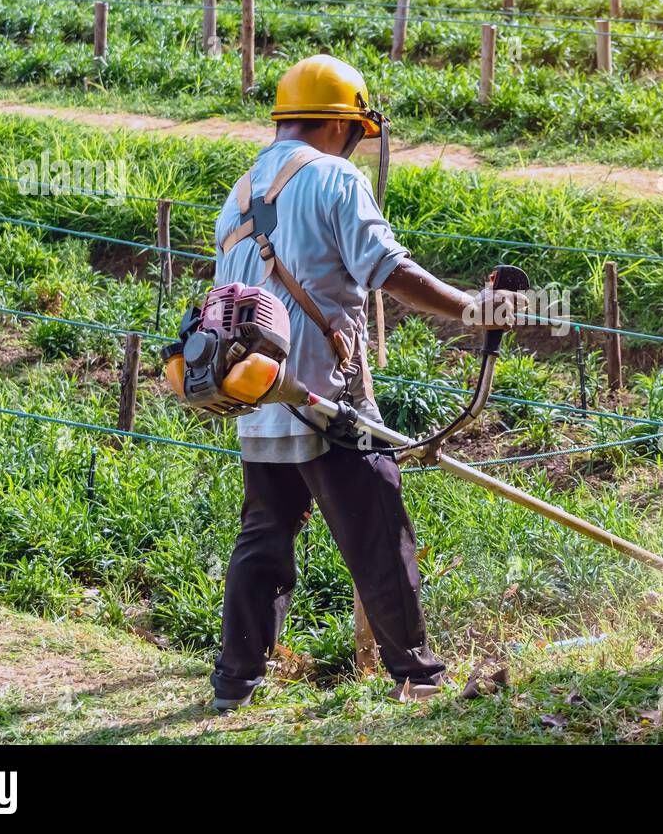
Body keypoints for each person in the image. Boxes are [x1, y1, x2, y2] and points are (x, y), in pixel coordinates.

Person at [209, 54, 520, 711]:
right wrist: (472, 308)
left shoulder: (238, 194)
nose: (354, 144)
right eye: (354, 132)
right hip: (327, 396)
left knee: (264, 536)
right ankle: (419, 674)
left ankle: (234, 684)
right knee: (377, 524)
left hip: (258, 393)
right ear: (337, 126)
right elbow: (387, 269)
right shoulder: (335, 177)